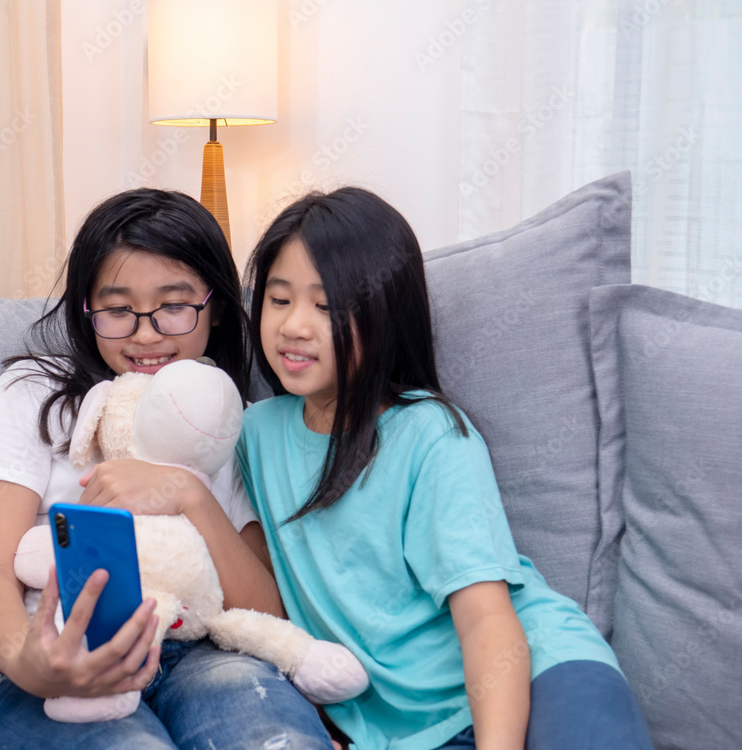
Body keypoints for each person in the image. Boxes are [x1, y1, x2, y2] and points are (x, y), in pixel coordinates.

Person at [236, 187, 655, 750]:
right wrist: (186, 493)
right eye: (279, 299)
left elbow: (486, 620)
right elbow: (265, 599)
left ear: (384, 316)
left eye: (328, 306)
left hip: (539, 666)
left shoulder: (430, 434)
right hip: (407, 728)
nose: (294, 325)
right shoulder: (254, 435)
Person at [0, 188, 337, 749]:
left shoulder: (232, 422)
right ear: (87, 311)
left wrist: (189, 493)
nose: (146, 333)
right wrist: (30, 661)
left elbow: (265, 610)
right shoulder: (34, 392)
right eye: (117, 310)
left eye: (174, 305)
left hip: (202, 651)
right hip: (45, 653)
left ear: (217, 306)